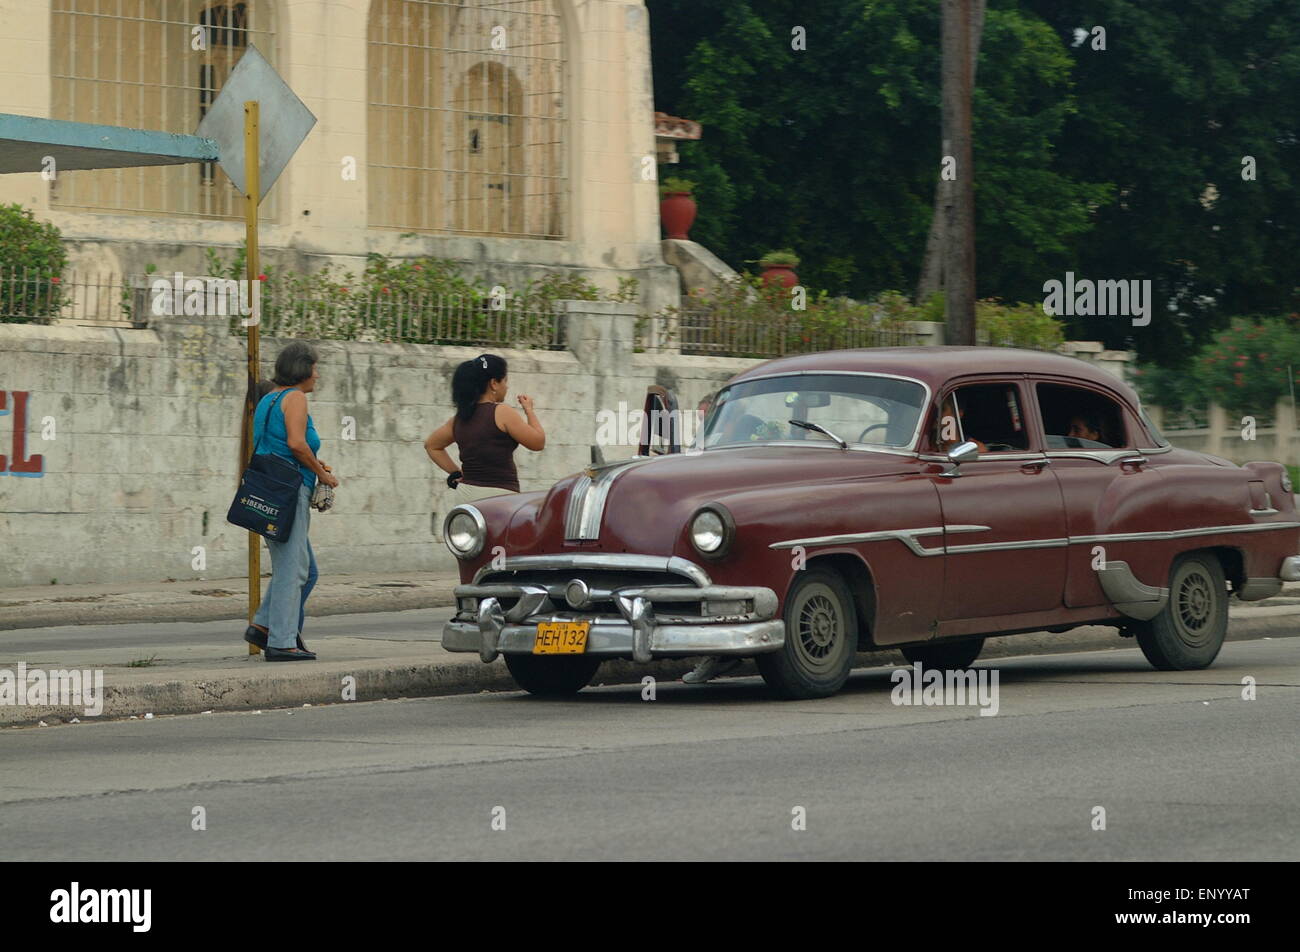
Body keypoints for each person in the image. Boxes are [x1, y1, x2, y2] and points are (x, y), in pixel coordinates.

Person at [242, 342, 338, 661]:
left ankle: (264, 626)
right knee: (292, 570)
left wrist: (315, 465)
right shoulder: (294, 398)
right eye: (314, 367)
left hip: (270, 489)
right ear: (302, 368)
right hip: (288, 491)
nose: (317, 374)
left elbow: (277, 446)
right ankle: (282, 642)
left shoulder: (270, 399)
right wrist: (321, 475)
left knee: (304, 570)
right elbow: (297, 445)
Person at [424, 354, 545, 501]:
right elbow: (538, 442)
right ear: (494, 383)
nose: (507, 386)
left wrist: (456, 473)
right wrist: (529, 410)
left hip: (466, 497)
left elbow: (432, 445)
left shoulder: (458, 419)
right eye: (505, 381)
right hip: (500, 498)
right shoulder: (502, 412)